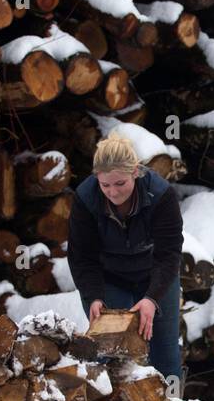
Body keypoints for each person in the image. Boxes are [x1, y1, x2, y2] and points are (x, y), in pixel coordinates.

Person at [67, 134, 184, 384]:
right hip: (110, 278)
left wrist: (152, 298)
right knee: (106, 351)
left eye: (120, 183)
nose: (113, 192)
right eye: (105, 185)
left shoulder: (161, 195)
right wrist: (93, 296)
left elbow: (169, 254)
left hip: (156, 275)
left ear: (135, 172)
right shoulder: (85, 198)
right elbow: (82, 257)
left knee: (165, 354)